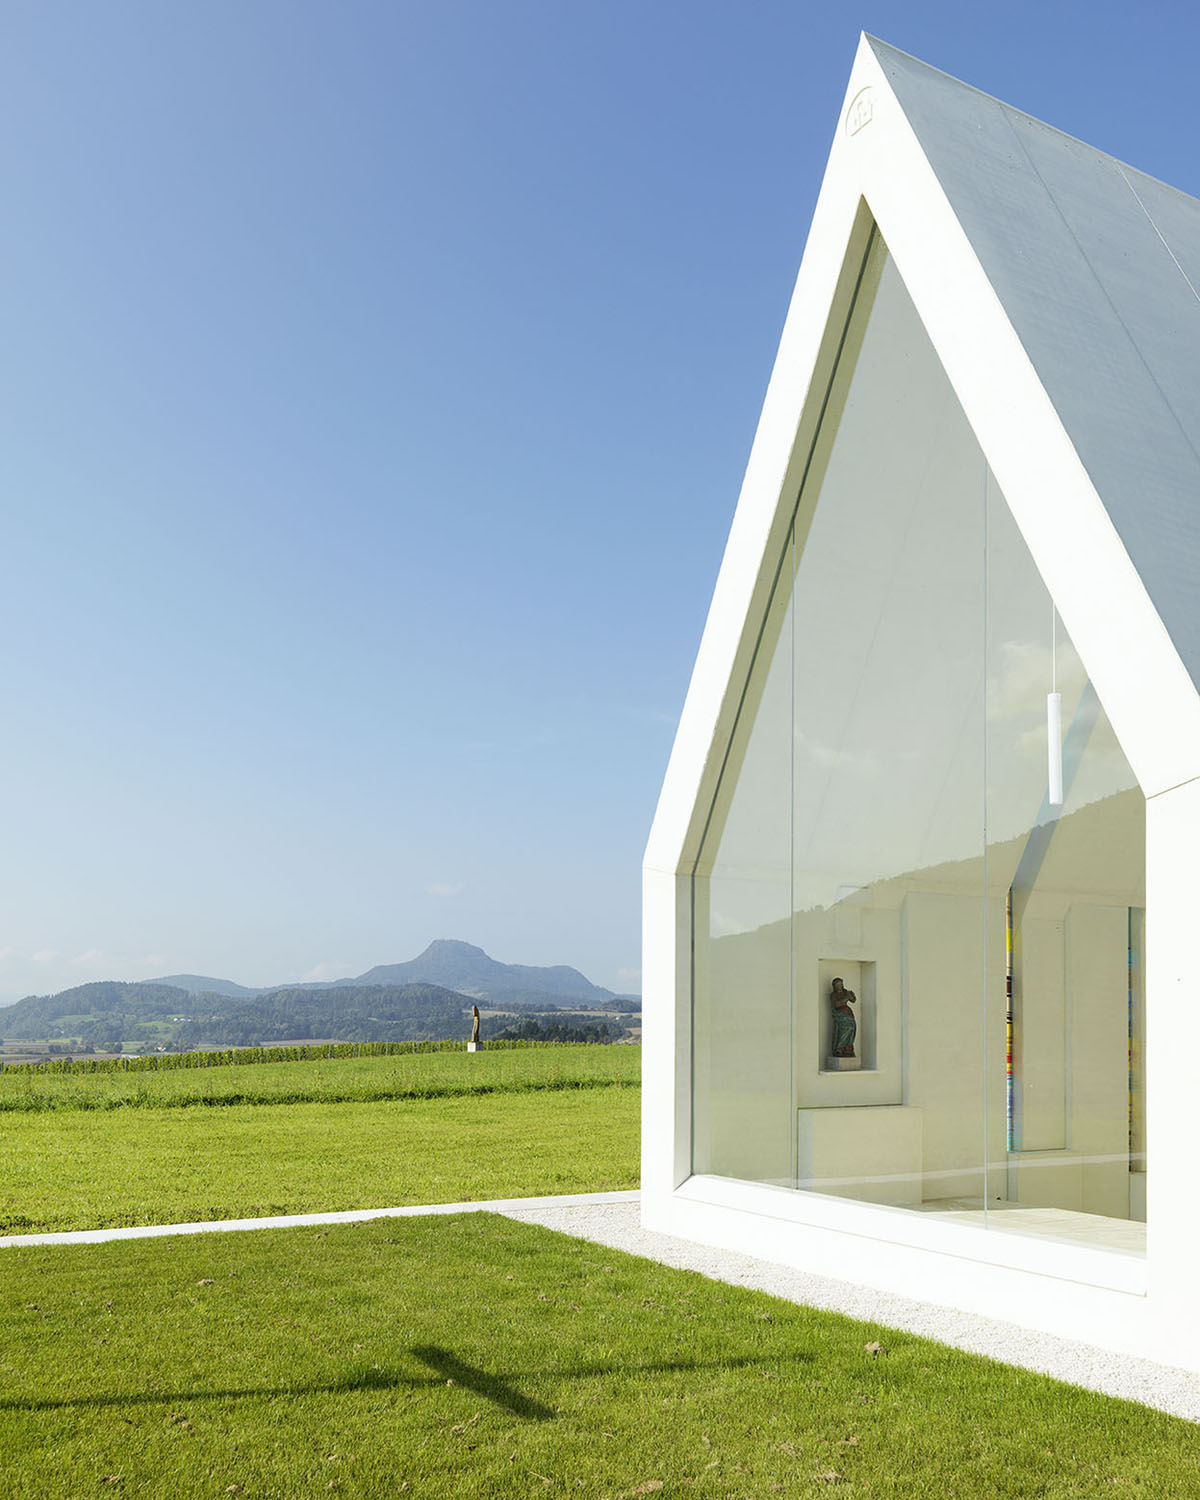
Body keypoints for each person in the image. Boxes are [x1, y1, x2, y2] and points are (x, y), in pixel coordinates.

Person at [829, 977, 857, 1058]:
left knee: (851, 1028)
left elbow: (853, 1000)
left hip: (848, 1014)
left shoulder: (845, 992)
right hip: (840, 1015)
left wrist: (851, 996)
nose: (839, 986)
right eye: (837, 985)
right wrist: (846, 998)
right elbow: (837, 1005)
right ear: (834, 986)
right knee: (844, 1030)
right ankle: (840, 1048)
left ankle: (848, 1048)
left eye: (841, 984)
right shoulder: (833, 995)